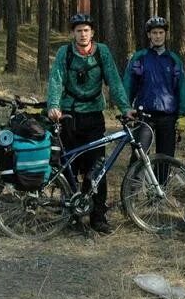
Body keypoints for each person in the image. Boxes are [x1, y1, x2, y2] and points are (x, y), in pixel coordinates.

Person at [46, 13, 133, 234]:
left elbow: (114, 80)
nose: (83, 34)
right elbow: (56, 80)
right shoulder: (65, 53)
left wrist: (125, 108)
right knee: (69, 167)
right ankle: (70, 213)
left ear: (92, 33)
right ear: (72, 33)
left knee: (98, 167)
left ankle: (98, 216)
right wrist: (53, 106)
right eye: (78, 30)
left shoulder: (102, 52)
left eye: (86, 30)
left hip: (94, 116)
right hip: (69, 116)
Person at [123, 16, 185, 159]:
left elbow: (182, 87)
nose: (158, 36)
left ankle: (161, 183)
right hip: (144, 115)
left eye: (161, 32)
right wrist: (126, 107)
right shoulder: (139, 57)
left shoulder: (173, 59)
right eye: (154, 33)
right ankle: (134, 182)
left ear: (165, 34)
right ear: (149, 35)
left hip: (168, 116)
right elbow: (129, 84)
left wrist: (183, 115)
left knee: (165, 160)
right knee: (138, 158)